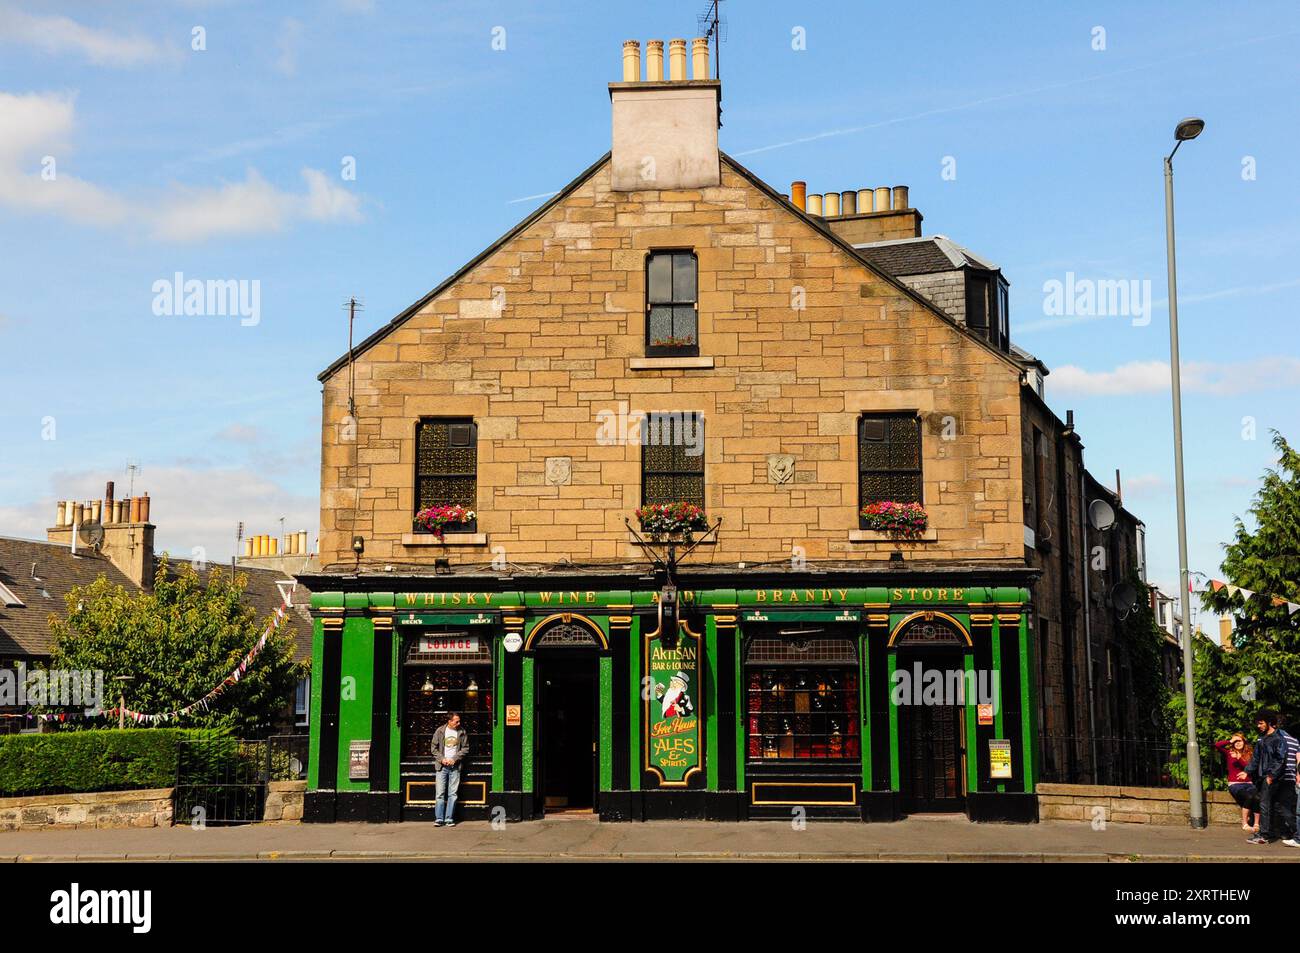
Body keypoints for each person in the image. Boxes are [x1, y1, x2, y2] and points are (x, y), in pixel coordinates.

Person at [1246, 710, 1296, 845]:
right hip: (1264, 777)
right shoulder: (1261, 739)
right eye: (1257, 723)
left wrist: (1271, 775)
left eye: (1261, 723)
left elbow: (1280, 759)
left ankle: (1265, 835)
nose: (1258, 726)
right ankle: (1271, 833)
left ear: (1269, 722)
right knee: (1272, 806)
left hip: (1273, 778)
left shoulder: (1278, 739)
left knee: (1267, 805)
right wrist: (1247, 771)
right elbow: (1256, 758)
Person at [431, 712, 468, 827]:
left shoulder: (462, 732)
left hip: (455, 767)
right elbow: (433, 748)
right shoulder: (440, 731)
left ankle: (449, 818)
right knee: (440, 793)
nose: (459, 723)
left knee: (453, 794)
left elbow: (465, 748)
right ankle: (439, 818)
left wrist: (455, 758)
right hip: (442, 767)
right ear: (449, 721)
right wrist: (442, 759)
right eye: (456, 721)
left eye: (459, 721)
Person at [1215, 733, 1258, 832]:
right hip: (1235, 784)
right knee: (1249, 797)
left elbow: (1249, 768)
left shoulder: (1249, 754)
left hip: (1249, 783)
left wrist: (1239, 758)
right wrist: (1230, 741)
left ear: (1244, 742)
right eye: (1235, 741)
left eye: (1240, 741)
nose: (1238, 743)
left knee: (1257, 797)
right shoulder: (1229, 753)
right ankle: (1245, 823)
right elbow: (1217, 745)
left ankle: (1256, 823)